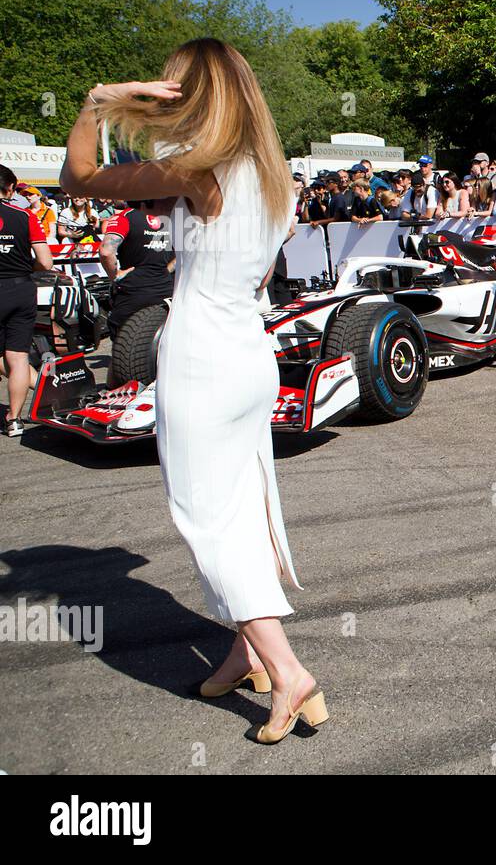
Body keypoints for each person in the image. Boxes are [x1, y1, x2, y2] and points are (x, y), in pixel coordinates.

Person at [60, 40, 325, 744]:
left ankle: (288, 669)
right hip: (251, 351)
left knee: (207, 518)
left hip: (203, 354)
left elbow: (79, 178)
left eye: (175, 83)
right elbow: (264, 274)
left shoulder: (196, 170)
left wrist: (98, 97)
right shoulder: (274, 176)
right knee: (245, 504)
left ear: (198, 93)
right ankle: (246, 654)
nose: (165, 91)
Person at [0, 164, 55, 437]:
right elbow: (45, 261)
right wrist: (24, 267)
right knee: (18, 356)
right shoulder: (25, 216)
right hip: (21, 288)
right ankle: (14, 419)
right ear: (9, 188)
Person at [100, 200, 175, 337]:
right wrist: (165, 270)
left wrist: (115, 276)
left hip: (134, 290)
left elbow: (106, 252)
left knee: (124, 345)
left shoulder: (124, 217)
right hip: (166, 290)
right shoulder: (170, 218)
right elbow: (183, 253)